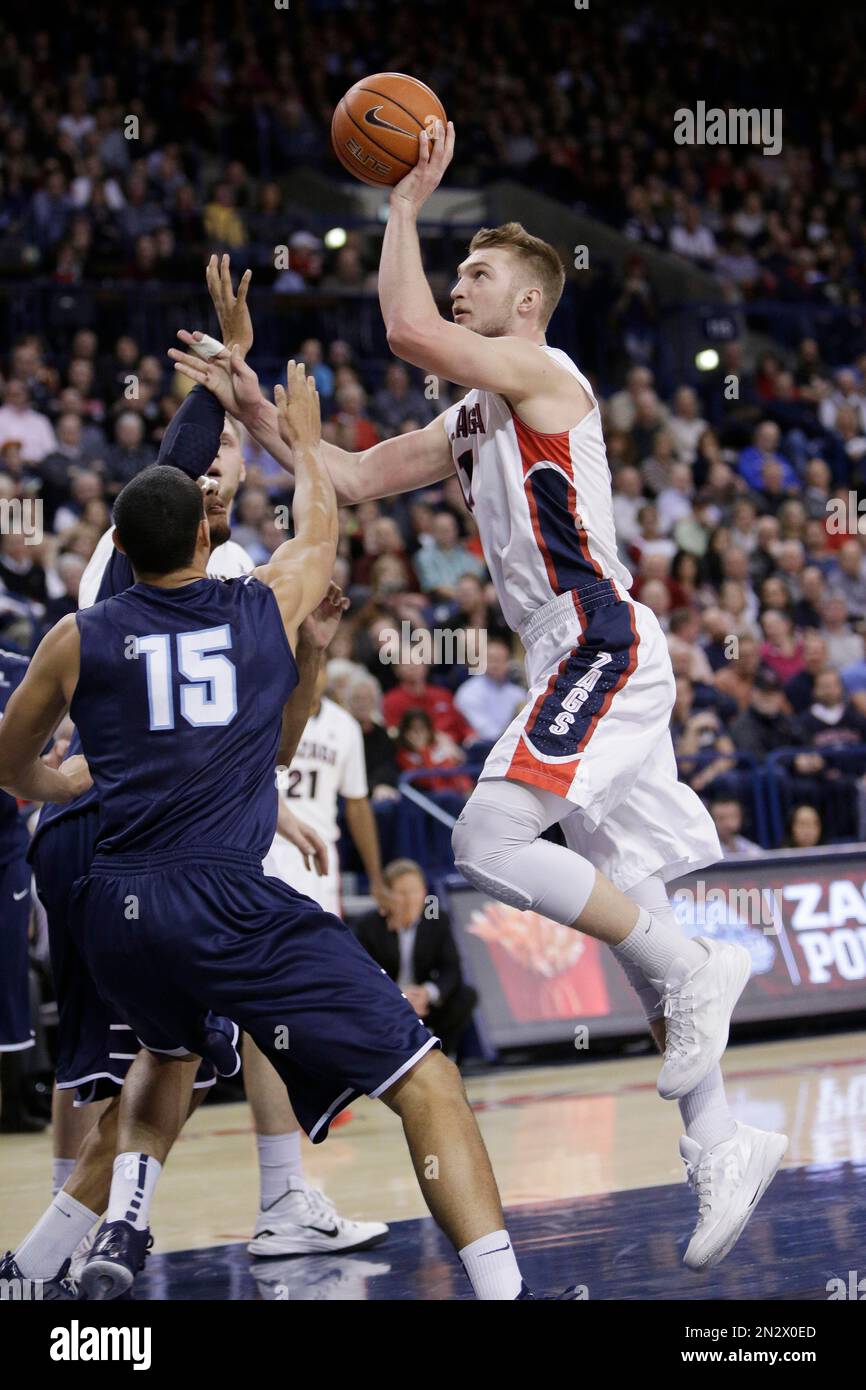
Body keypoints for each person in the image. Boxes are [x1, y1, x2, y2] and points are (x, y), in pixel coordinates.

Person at [172, 139, 786, 1269]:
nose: (456, 284)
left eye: (477, 273)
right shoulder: (469, 419)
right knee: (634, 910)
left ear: (531, 300)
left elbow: (405, 330)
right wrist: (253, 402)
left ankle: (698, 966)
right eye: (453, 270)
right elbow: (346, 477)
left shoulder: (550, 378)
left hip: (596, 638)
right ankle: (719, 1137)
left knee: (492, 836)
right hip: (573, 651)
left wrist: (400, 202)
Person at [0, 362, 572, 1304]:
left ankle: (81, 1248)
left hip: (115, 906)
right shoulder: (256, 603)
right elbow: (321, 532)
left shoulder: (80, 635)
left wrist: (60, 777)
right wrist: (304, 437)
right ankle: (505, 1294)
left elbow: (11, 762)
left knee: (166, 1055)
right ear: (202, 531)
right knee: (427, 1082)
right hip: (224, 896)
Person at [263, 662, 390, 917]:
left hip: (318, 851)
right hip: (266, 847)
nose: (310, 673)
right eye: (303, 663)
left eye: (318, 667)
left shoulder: (345, 726)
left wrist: (376, 877)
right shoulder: (264, 713)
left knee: (320, 947)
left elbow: (357, 803)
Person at [354, 859, 478, 1058]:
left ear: (424, 892)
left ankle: (442, 1058)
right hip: (387, 1002)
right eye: (402, 893)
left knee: (466, 996)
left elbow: (451, 969)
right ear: (387, 895)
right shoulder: (368, 926)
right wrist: (398, 996)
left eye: (415, 891)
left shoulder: (437, 920)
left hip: (422, 1002)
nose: (409, 899)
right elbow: (362, 976)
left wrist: (427, 993)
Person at [0, 647, 37, 1132]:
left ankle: (12, 1100)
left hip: (7, 847)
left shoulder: (18, 668)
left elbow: (64, 733)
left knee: (11, 969)